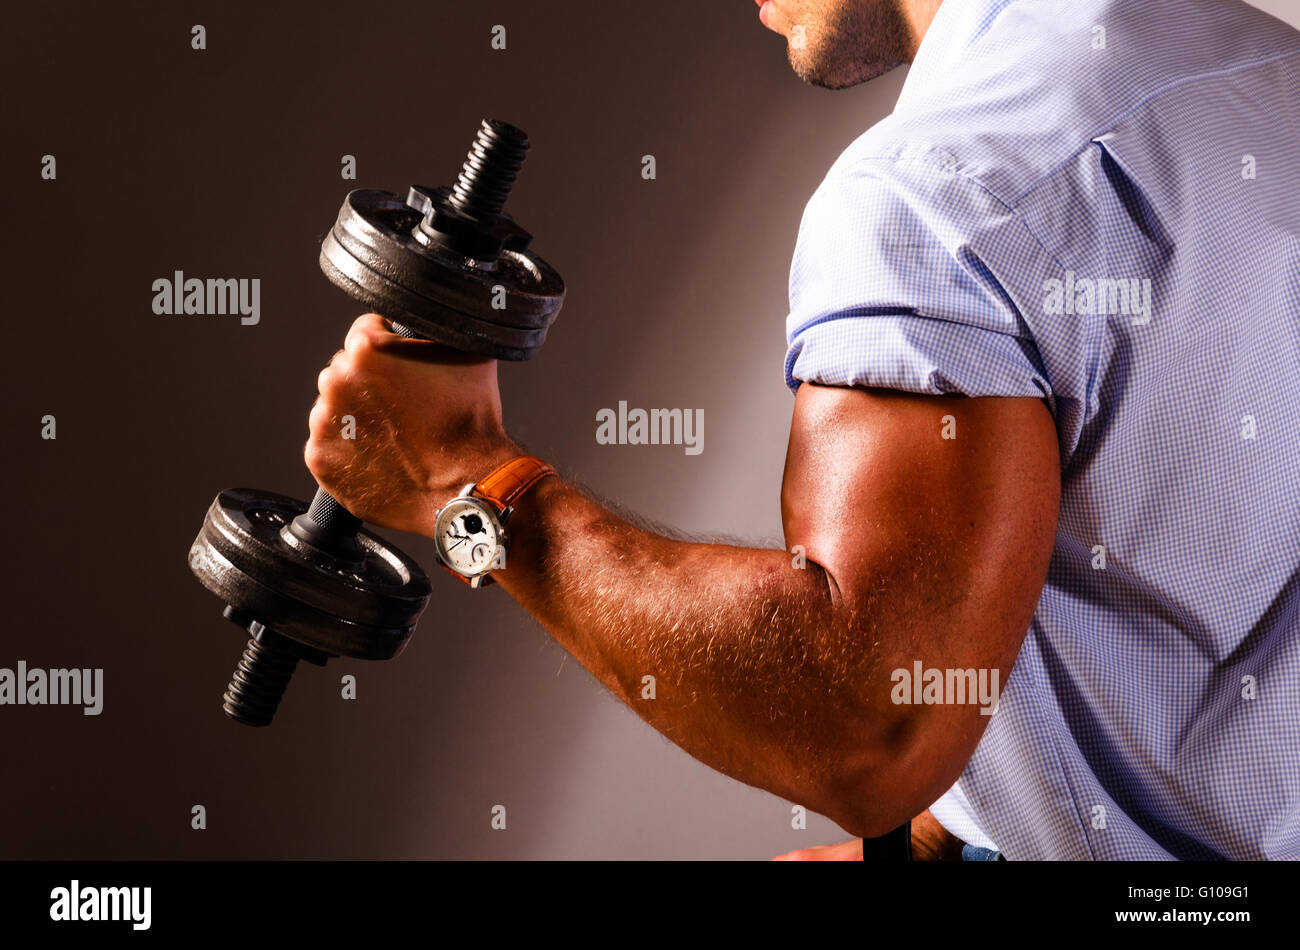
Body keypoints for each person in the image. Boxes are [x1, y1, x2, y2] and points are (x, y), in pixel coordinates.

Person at [305, 0, 1300, 860]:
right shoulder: (1264, 72)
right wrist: (955, 834)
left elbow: (868, 724)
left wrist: (459, 476)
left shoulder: (932, 190)